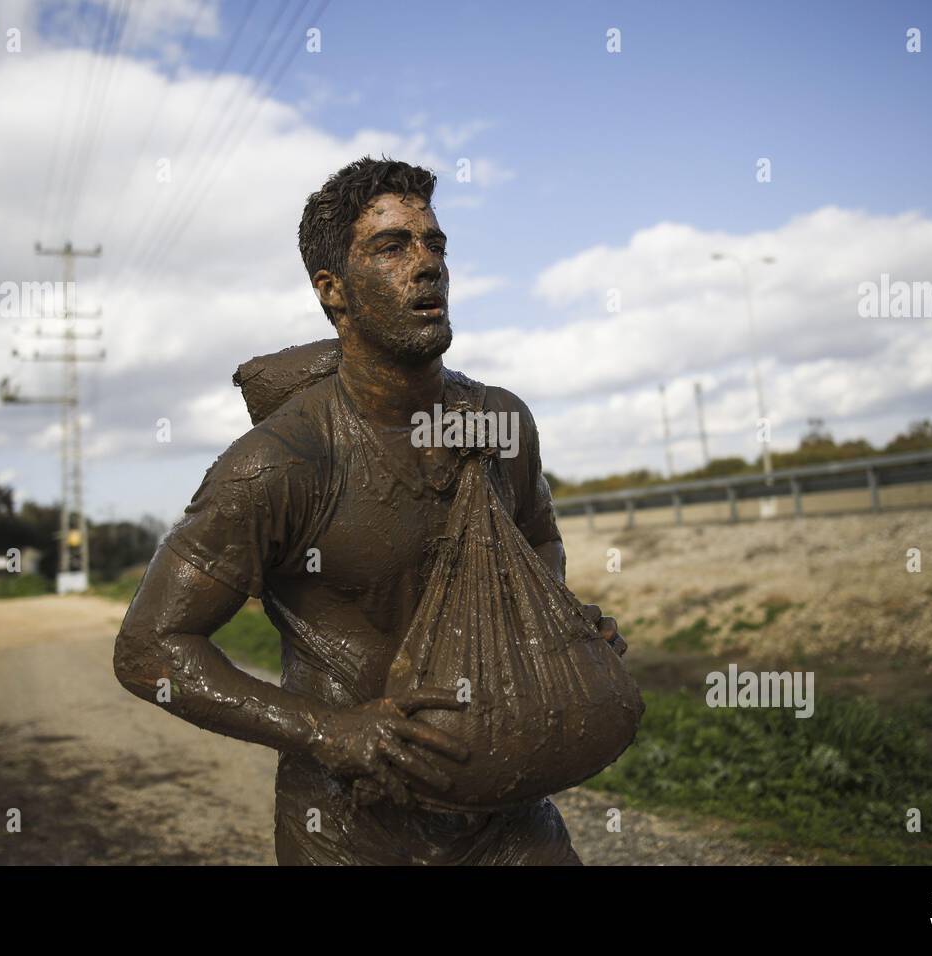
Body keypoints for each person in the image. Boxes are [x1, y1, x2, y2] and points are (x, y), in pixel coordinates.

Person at [113, 156, 626, 865]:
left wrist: (554, 624)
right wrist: (330, 732)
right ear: (334, 291)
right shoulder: (281, 462)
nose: (427, 266)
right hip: (349, 830)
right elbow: (149, 649)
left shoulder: (499, 422)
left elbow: (538, 539)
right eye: (392, 247)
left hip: (506, 817)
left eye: (434, 245)